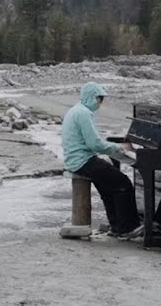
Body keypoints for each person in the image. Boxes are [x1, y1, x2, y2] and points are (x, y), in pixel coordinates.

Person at [61, 82, 143, 238]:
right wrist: (119, 148)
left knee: (108, 188)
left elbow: (94, 143)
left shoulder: (77, 110)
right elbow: (95, 144)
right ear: (91, 97)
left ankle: (116, 226)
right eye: (99, 99)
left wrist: (112, 148)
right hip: (82, 161)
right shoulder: (84, 113)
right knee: (123, 183)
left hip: (76, 159)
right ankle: (127, 228)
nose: (100, 103)